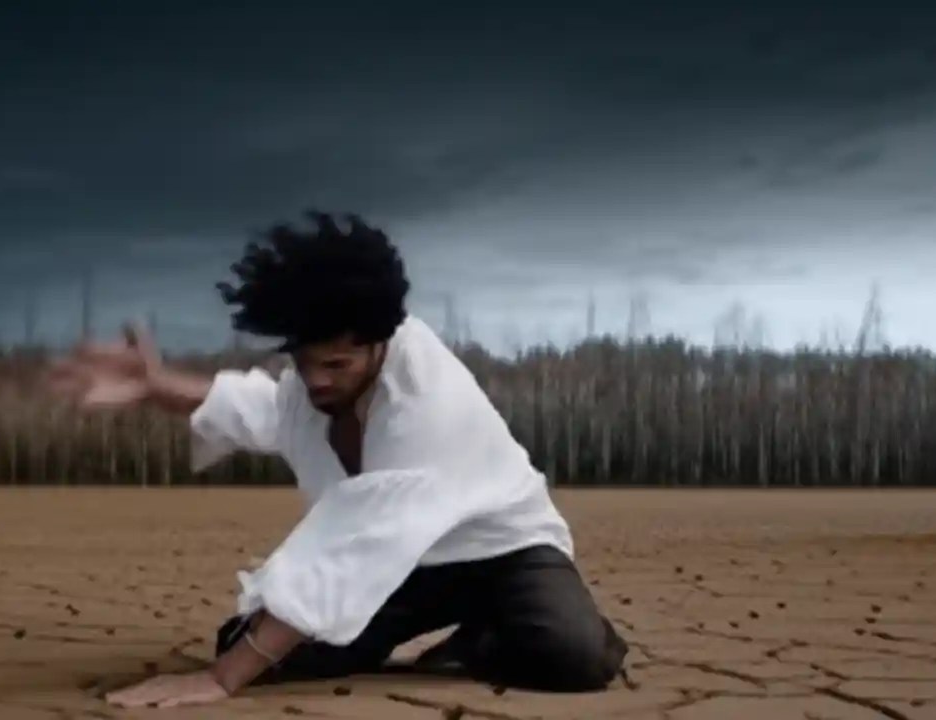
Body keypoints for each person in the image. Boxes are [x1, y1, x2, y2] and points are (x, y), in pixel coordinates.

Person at [46, 211, 629, 710]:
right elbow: (264, 407)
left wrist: (221, 682)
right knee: (251, 644)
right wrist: (155, 386)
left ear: (380, 342)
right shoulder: (312, 381)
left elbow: (360, 539)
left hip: (502, 549)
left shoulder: (427, 400)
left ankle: (486, 635)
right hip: (407, 570)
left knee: (572, 655)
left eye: (336, 366)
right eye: (305, 363)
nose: (316, 381)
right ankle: (455, 633)